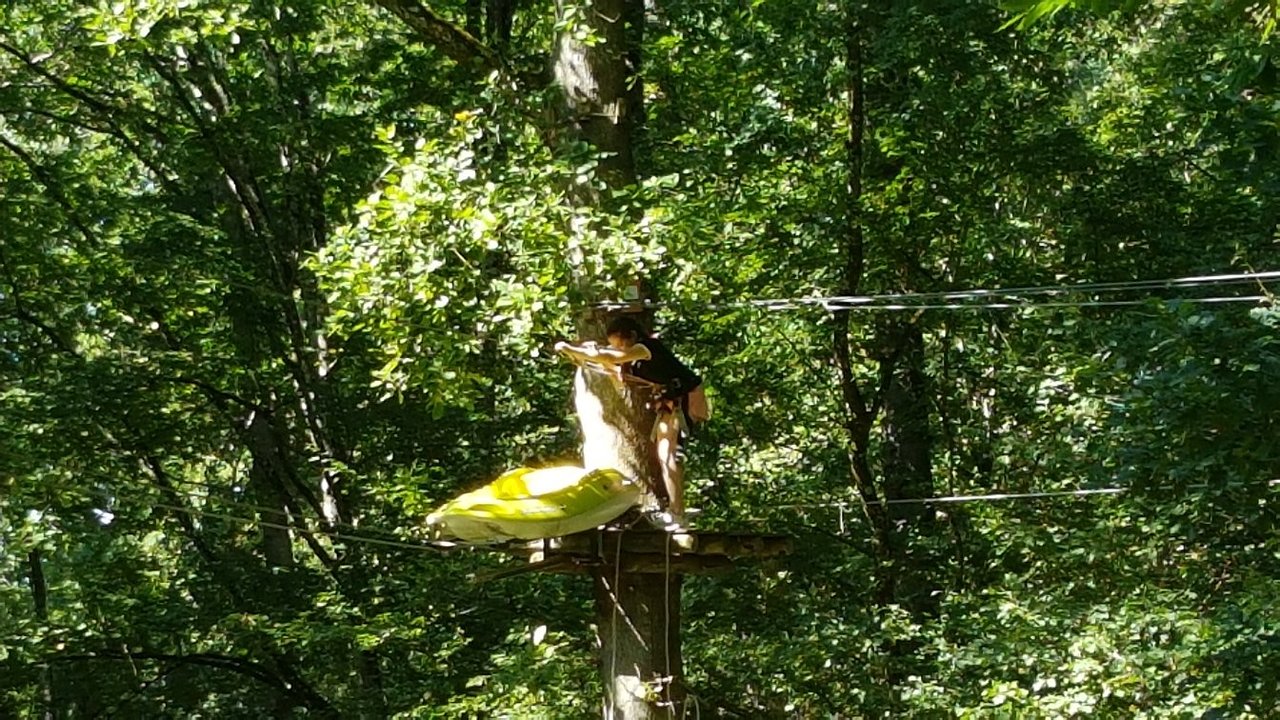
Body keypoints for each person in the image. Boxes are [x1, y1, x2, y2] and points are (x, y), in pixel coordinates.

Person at [555, 316, 708, 525]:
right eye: (614, 345)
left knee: (668, 455)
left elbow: (616, 356)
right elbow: (617, 379)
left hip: (684, 397)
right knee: (665, 455)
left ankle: (677, 512)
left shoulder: (647, 347)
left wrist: (574, 349)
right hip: (670, 402)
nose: (618, 348)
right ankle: (675, 510)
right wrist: (589, 358)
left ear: (632, 336)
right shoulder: (632, 362)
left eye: (620, 343)